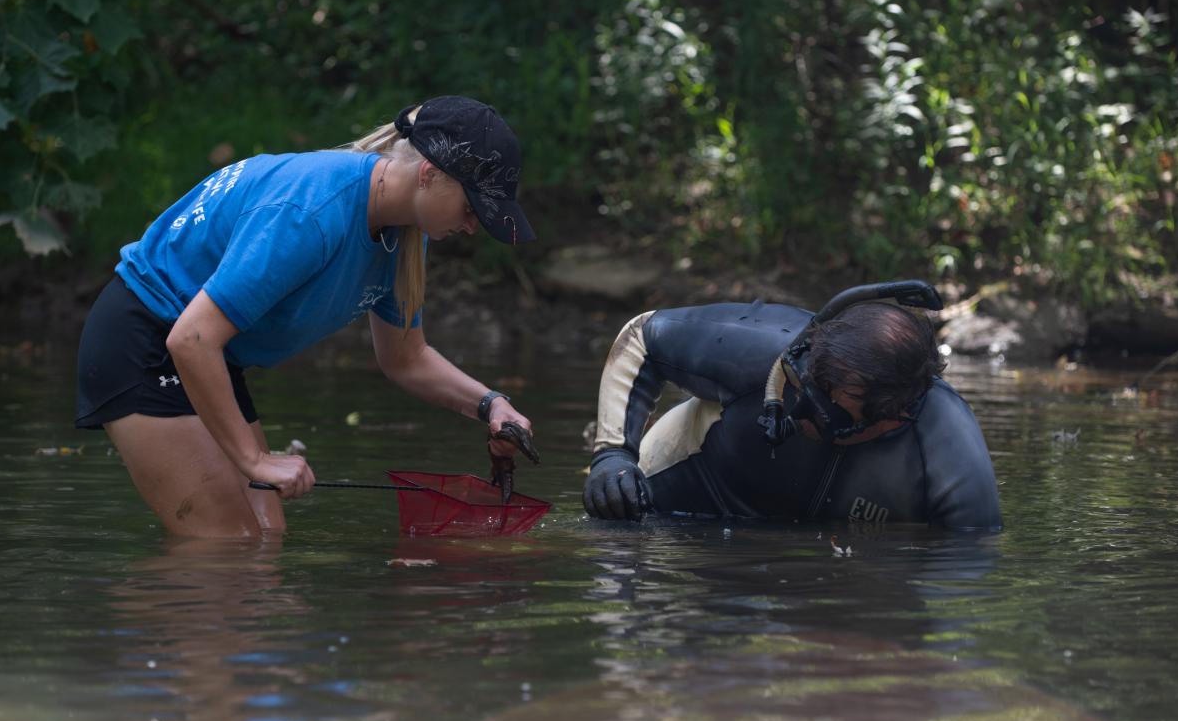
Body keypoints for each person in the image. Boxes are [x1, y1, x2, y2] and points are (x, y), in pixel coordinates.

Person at [76, 96, 535, 538]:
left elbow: (406, 358)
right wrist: (254, 461)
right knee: (229, 551)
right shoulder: (311, 211)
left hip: (209, 354)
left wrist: (490, 404)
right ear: (429, 175)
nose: (474, 225)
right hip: (146, 342)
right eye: (472, 208)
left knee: (266, 539)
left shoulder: (407, 234)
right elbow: (191, 339)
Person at [583, 281, 1001, 530]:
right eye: (804, 385)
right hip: (665, 506)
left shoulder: (947, 446)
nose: (799, 411)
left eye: (828, 407)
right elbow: (642, 335)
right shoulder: (767, 346)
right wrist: (613, 454)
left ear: (893, 419)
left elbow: (966, 563)